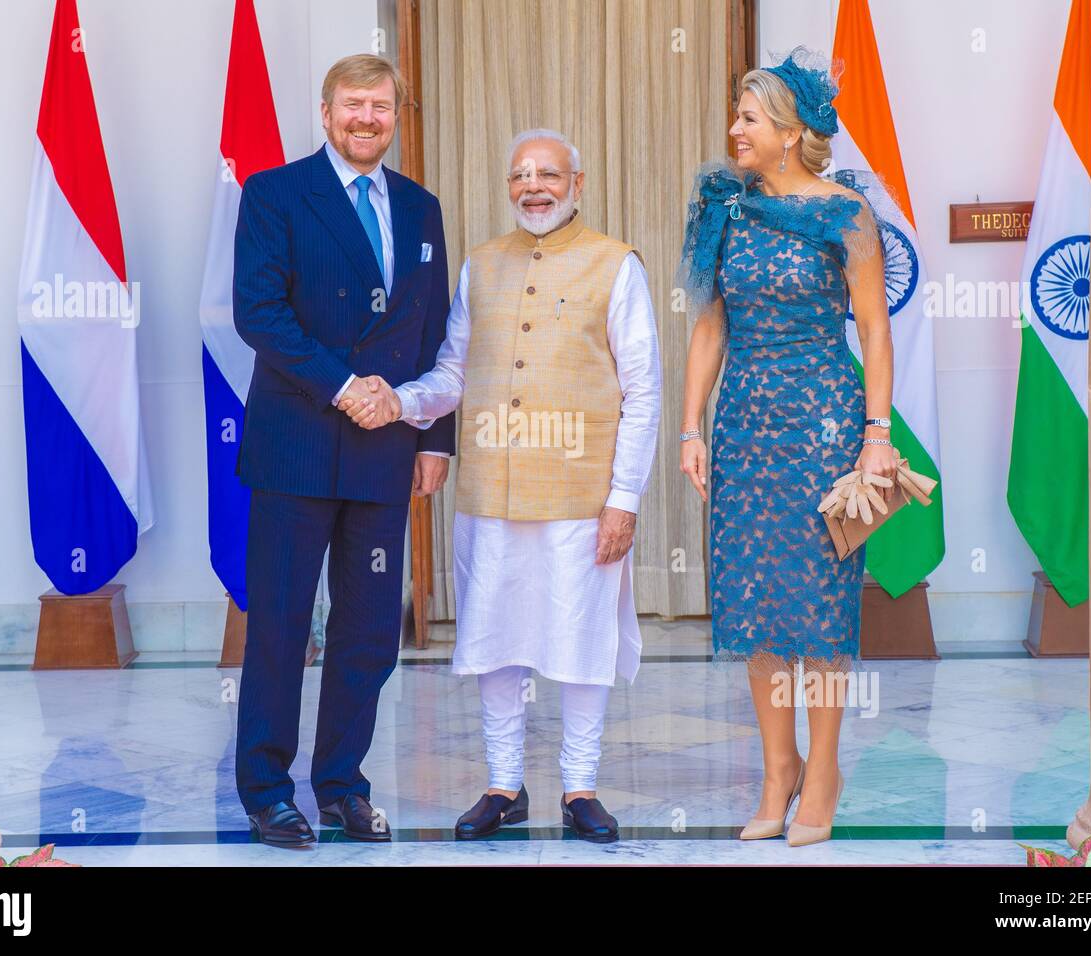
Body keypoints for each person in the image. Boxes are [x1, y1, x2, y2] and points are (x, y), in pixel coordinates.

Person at [344, 129, 662, 843]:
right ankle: (503, 785)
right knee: (496, 636)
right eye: (520, 175)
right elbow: (453, 372)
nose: (534, 186)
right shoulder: (480, 267)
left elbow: (644, 390)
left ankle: (580, 789)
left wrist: (624, 499)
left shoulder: (616, 266)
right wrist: (401, 401)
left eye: (549, 173)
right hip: (492, 491)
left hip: (582, 494)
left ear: (578, 184)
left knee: (581, 639)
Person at [231, 54, 454, 847]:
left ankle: (341, 787)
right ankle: (266, 791)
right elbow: (258, 312)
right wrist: (344, 384)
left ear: (397, 116)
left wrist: (436, 438)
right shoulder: (274, 194)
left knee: (365, 632)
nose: (367, 119)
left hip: (384, 456)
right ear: (325, 113)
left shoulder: (422, 208)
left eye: (381, 107)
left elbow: (434, 331)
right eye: (353, 105)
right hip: (296, 448)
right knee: (284, 626)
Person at [677, 46, 896, 846]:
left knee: (820, 604)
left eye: (750, 118)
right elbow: (709, 324)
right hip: (744, 424)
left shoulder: (845, 213)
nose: (735, 129)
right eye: (737, 115)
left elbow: (873, 328)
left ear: (793, 132)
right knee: (755, 599)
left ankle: (825, 771)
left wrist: (877, 435)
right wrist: (691, 427)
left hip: (828, 422)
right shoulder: (722, 209)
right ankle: (778, 770)